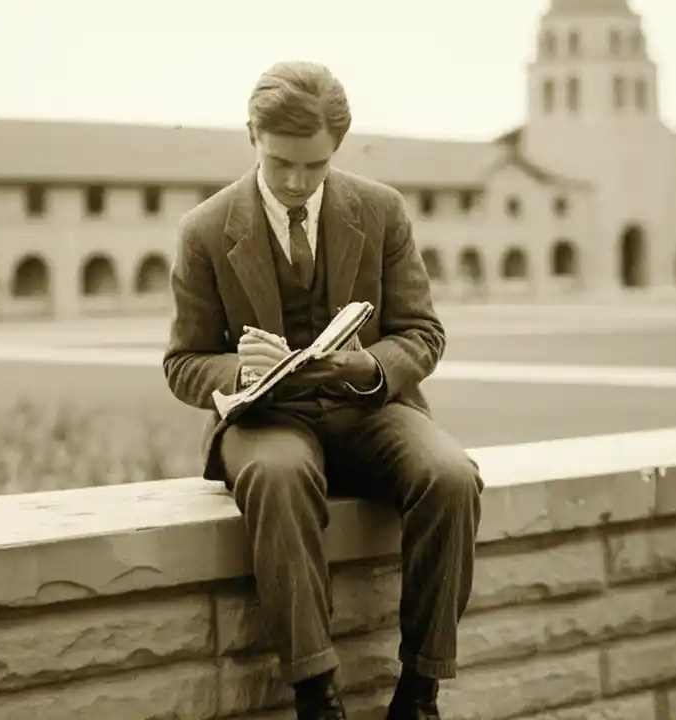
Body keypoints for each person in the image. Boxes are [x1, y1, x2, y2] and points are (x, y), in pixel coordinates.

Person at [162, 61, 483, 720]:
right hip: (267, 420)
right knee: (278, 479)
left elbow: (422, 334)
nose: (294, 182)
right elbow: (183, 362)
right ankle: (316, 696)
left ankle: (420, 691)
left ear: (338, 148)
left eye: (314, 166)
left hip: (367, 408)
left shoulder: (382, 210)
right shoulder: (203, 230)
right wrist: (240, 374)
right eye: (280, 162)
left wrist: (369, 369)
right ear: (251, 134)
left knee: (452, 476)